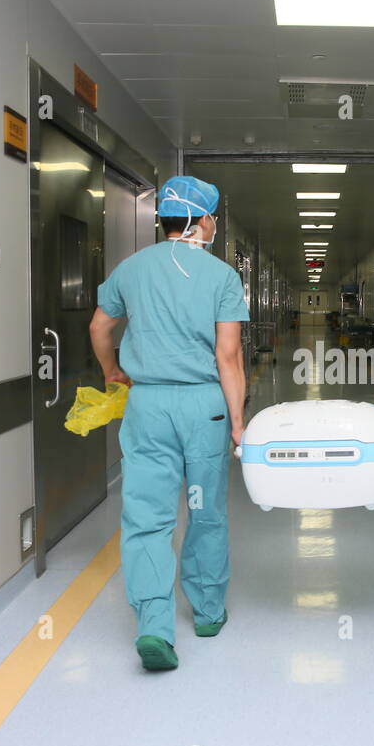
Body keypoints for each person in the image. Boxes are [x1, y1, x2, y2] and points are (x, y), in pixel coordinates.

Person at [89, 175, 248, 672]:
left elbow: (99, 327)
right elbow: (228, 356)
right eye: (212, 217)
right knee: (205, 510)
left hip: (148, 406)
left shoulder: (131, 269)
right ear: (201, 221)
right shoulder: (222, 276)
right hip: (204, 407)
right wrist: (238, 422)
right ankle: (207, 611)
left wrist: (111, 371)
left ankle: (154, 626)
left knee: (147, 515)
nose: (213, 224)